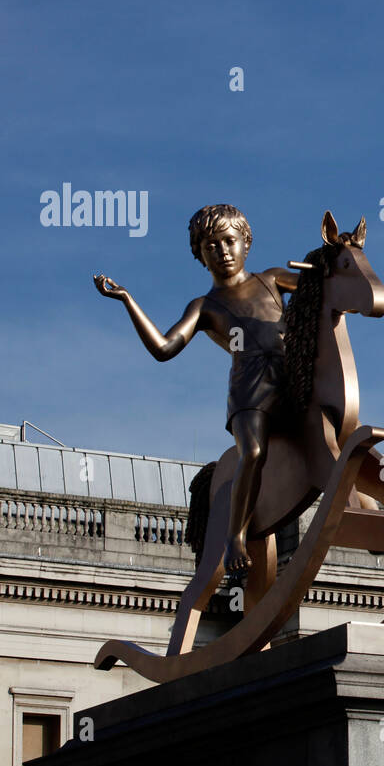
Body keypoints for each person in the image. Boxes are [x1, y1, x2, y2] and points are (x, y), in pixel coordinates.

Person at [94, 204, 298, 573]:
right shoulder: (205, 306)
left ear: (246, 242)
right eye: (211, 246)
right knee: (253, 452)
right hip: (250, 392)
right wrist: (128, 301)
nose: (222, 251)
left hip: (290, 380)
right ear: (200, 255)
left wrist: (337, 254)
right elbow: (164, 348)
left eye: (229, 241)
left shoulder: (273, 279)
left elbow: (322, 288)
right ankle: (235, 537)